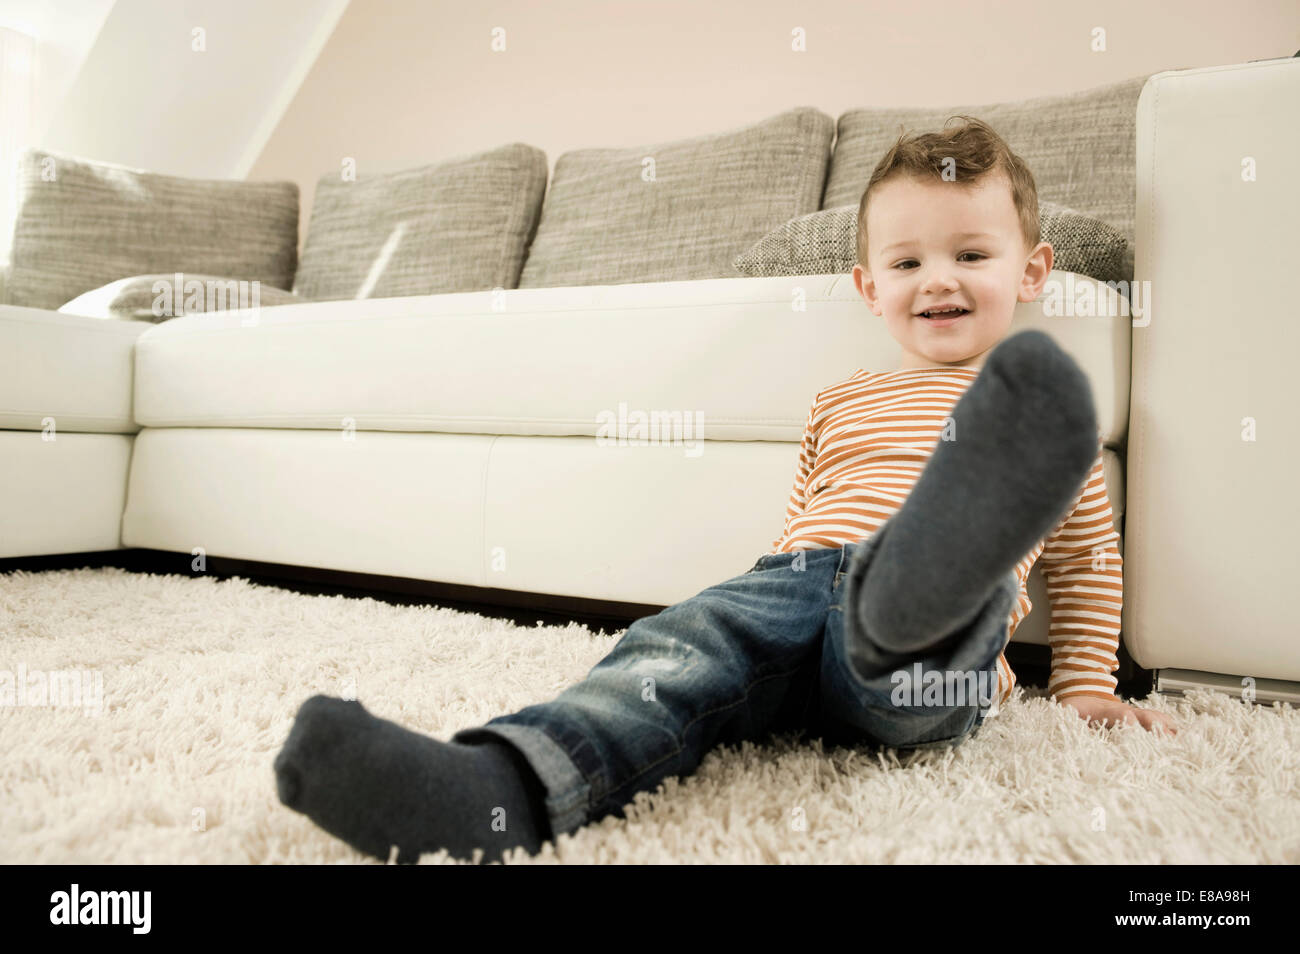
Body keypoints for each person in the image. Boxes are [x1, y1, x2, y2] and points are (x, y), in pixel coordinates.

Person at [273, 116, 1177, 865]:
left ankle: (923, 593)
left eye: (970, 254)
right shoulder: (840, 400)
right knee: (682, 647)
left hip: (922, 622)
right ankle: (502, 785)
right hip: (797, 579)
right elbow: (802, 513)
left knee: (912, 662)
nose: (935, 278)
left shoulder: (1040, 423)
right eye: (906, 264)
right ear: (868, 287)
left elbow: (1089, 557)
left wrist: (1086, 683)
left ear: (1031, 271)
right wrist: (775, 583)